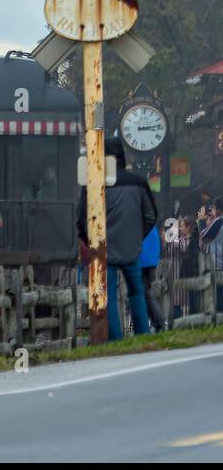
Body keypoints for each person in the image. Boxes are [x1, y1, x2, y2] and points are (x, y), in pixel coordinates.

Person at [76, 136, 156, 340]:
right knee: (136, 291)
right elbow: (150, 215)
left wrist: (92, 242)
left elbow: (81, 218)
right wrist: (137, 237)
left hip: (104, 250)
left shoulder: (94, 183)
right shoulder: (138, 183)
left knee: (108, 295)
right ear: (122, 156)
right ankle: (143, 335)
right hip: (131, 248)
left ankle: (115, 338)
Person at [140, 211, 166, 332]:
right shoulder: (151, 224)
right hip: (152, 261)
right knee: (147, 293)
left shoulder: (139, 224)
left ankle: (158, 322)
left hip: (142, 262)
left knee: (144, 293)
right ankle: (153, 322)